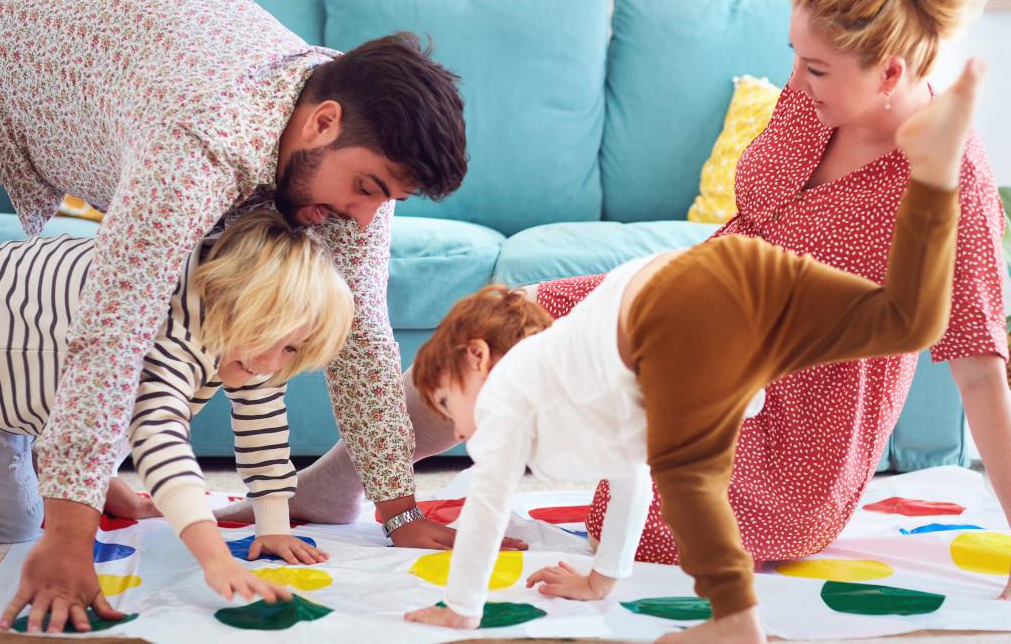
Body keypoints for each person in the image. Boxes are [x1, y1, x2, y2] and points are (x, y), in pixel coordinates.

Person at [403, 58, 986, 643]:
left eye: (450, 404)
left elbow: (486, 506)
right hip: (739, 275)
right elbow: (632, 477)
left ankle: (734, 621)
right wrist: (603, 581)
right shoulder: (590, 401)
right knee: (906, 324)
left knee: (687, 471)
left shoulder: (510, 389)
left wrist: (461, 609)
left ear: (479, 359)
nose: (459, 427)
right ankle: (933, 180)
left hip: (692, 307)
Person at [0, 0, 467, 633]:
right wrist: (70, 530)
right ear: (322, 122)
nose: (363, 216)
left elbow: (361, 336)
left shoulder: (353, 162)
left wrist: (401, 511)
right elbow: (113, 327)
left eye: (385, 197)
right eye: (368, 186)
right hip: (3, 52)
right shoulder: (197, 145)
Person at [534, 0, 1011, 599]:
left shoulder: (953, 181)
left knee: (639, 522)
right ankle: (388, 498)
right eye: (797, 56)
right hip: (695, 303)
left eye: (815, 68)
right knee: (512, 318)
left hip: (798, 430)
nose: (797, 78)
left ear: (890, 72)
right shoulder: (813, 95)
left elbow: (980, 371)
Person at [0, 210, 353, 604]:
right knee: (15, 528)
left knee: (132, 401)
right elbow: (159, 435)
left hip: (61, 390)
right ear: (236, 304)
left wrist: (273, 525)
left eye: (290, 348)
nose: (272, 362)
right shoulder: (168, 326)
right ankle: (48, 455)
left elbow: (261, 420)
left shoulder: (248, 335)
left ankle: (64, 460)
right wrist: (215, 558)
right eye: (271, 339)